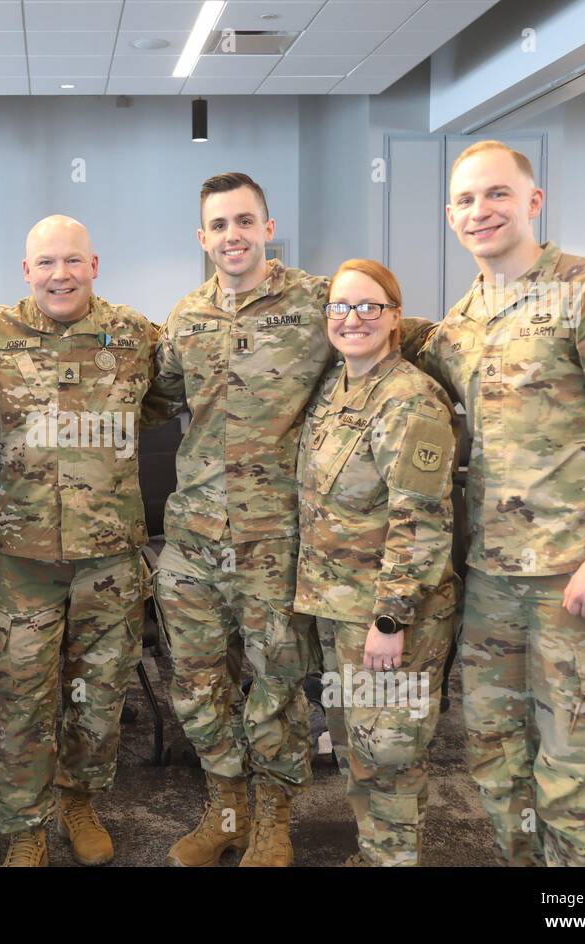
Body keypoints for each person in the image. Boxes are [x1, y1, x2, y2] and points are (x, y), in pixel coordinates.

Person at [402, 140, 585, 866]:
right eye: (464, 200)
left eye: (496, 194)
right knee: (498, 763)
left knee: (577, 778)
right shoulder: (463, 323)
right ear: (449, 217)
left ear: (533, 201)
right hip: (494, 580)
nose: (480, 210)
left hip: (582, 580)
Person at [0, 215, 169, 866]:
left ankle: (78, 797)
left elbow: (155, 407)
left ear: (95, 265)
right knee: (22, 693)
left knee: (99, 691)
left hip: (108, 555)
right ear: (26, 272)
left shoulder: (137, 336)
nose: (60, 275)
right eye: (46, 263)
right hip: (24, 557)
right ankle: (25, 824)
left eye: (73, 261)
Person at [150, 172, 336, 867]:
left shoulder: (317, 300)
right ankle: (226, 812)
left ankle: (275, 820)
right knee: (197, 684)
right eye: (219, 225)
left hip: (275, 535)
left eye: (244, 221)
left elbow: (389, 331)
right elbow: (163, 390)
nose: (232, 235)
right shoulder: (186, 317)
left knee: (277, 684)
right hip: (195, 536)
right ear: (203, 238)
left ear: (267, 226)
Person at [296, 259, 457, 866]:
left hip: (390, 618)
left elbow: (422, 520)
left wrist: (391, 619)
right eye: (340, 307)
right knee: (352, 748)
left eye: (369, 307)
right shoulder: (332, 388)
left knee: (389, 756)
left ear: (395, 317)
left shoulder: (412, 399)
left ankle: (392, 859)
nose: (353, 318)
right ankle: (374, 854)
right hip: (338, 607)